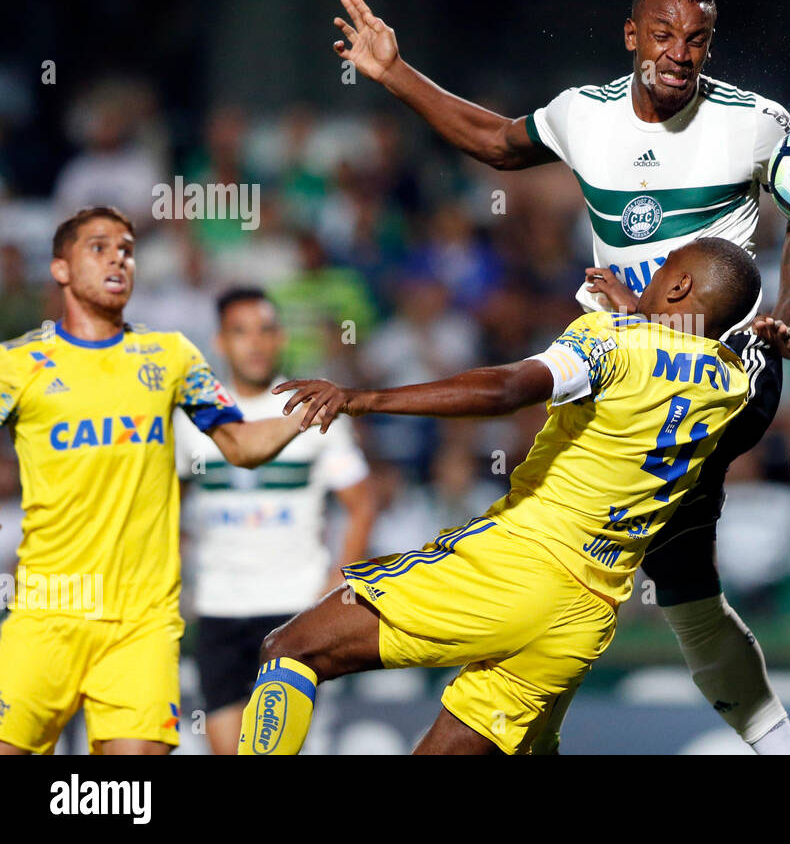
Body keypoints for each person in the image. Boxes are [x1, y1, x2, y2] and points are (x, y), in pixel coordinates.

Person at [331, 0, 790, 755]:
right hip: (614, 366)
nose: (679, 53)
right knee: (679, 583)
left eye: (696, 40)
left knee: (578, 560)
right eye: (663, 35)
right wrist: (394, 73)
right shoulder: (580, 115)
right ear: (632, 36)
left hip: (721, 371)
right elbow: (494, 141)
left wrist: (784, 315)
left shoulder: (757, 123)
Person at [236, 238, 756, 755]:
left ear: (681, 284)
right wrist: (645, 316)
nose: (656, 273)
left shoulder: (611, 339)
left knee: (291, 650)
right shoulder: (732, 383)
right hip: (585, 616)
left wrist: (364, 397)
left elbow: (507, 390)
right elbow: (682, 356)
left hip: (515, 564)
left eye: (666, 267)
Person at [0, 207, 315, 755]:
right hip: (46, 612)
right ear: (60, 269)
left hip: (141, 622)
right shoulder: (17, 365)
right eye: (98, 247)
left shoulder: (170, 356)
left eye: (126, 247)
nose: (118, 256)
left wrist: (318, 407)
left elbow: (239, 444)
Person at [175, 286, 376, 755]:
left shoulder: (316, 410)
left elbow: (362, 503)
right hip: (219, 609)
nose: (256, 343)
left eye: (266, 330)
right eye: (241, 332)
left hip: (294, 608)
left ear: (281, 338)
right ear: (220, 342)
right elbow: (165, 505)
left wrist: (336, 580)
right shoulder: (192, 421)